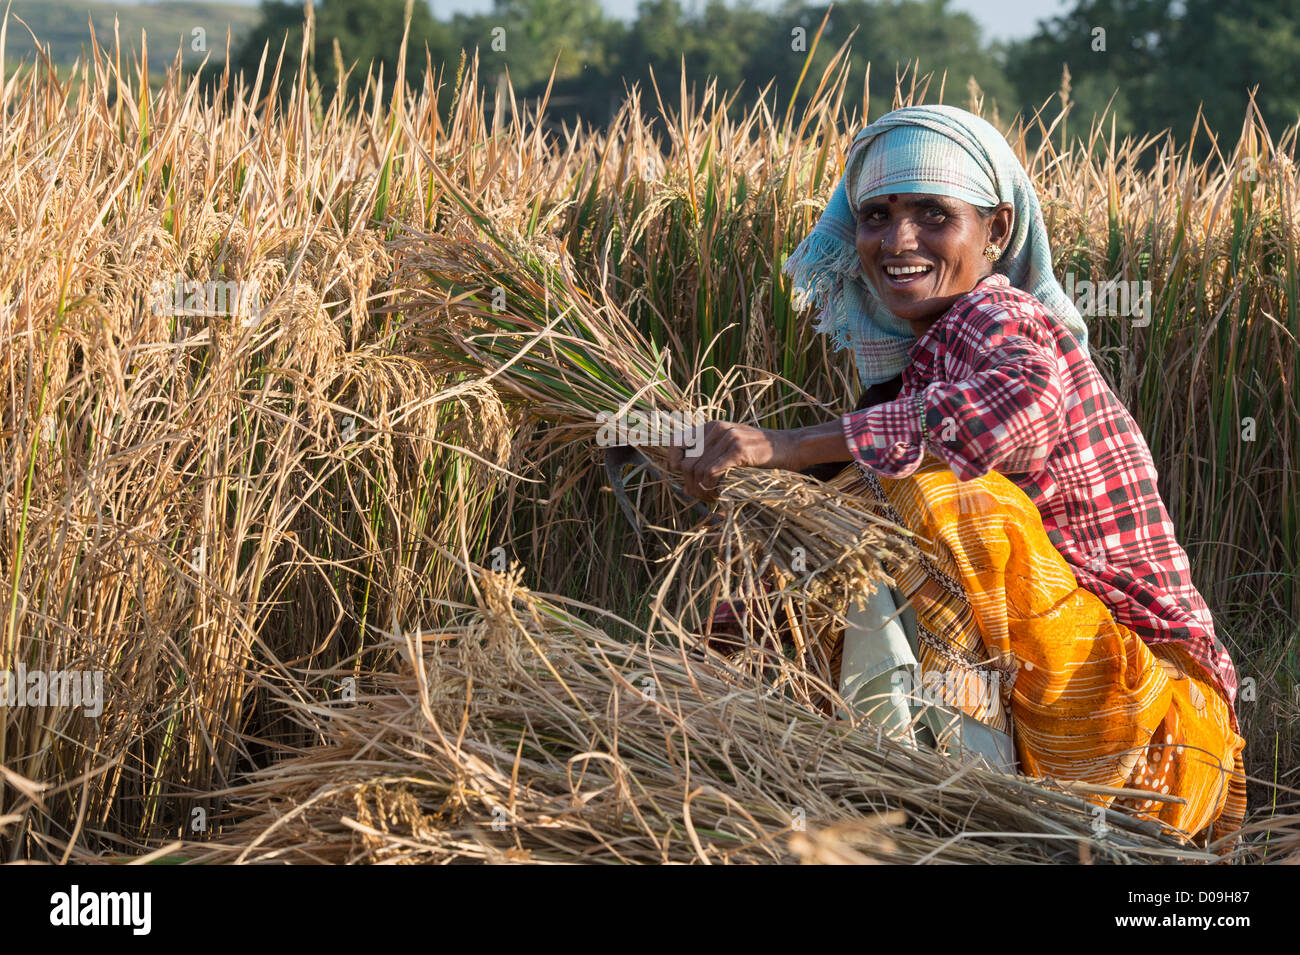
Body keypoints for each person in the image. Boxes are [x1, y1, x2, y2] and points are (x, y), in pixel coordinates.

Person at [664, 104, 1246, 847]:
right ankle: (907, 795)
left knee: (941, 491)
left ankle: (937, 795)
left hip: (1154, 738)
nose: (898, 240)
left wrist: (785, 446)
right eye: (877, 215)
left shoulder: (997, 315)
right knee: (838, 542)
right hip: (1107, 758)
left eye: (933, 215)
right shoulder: (924, 372)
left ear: (997, 231)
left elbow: (1012, 421)